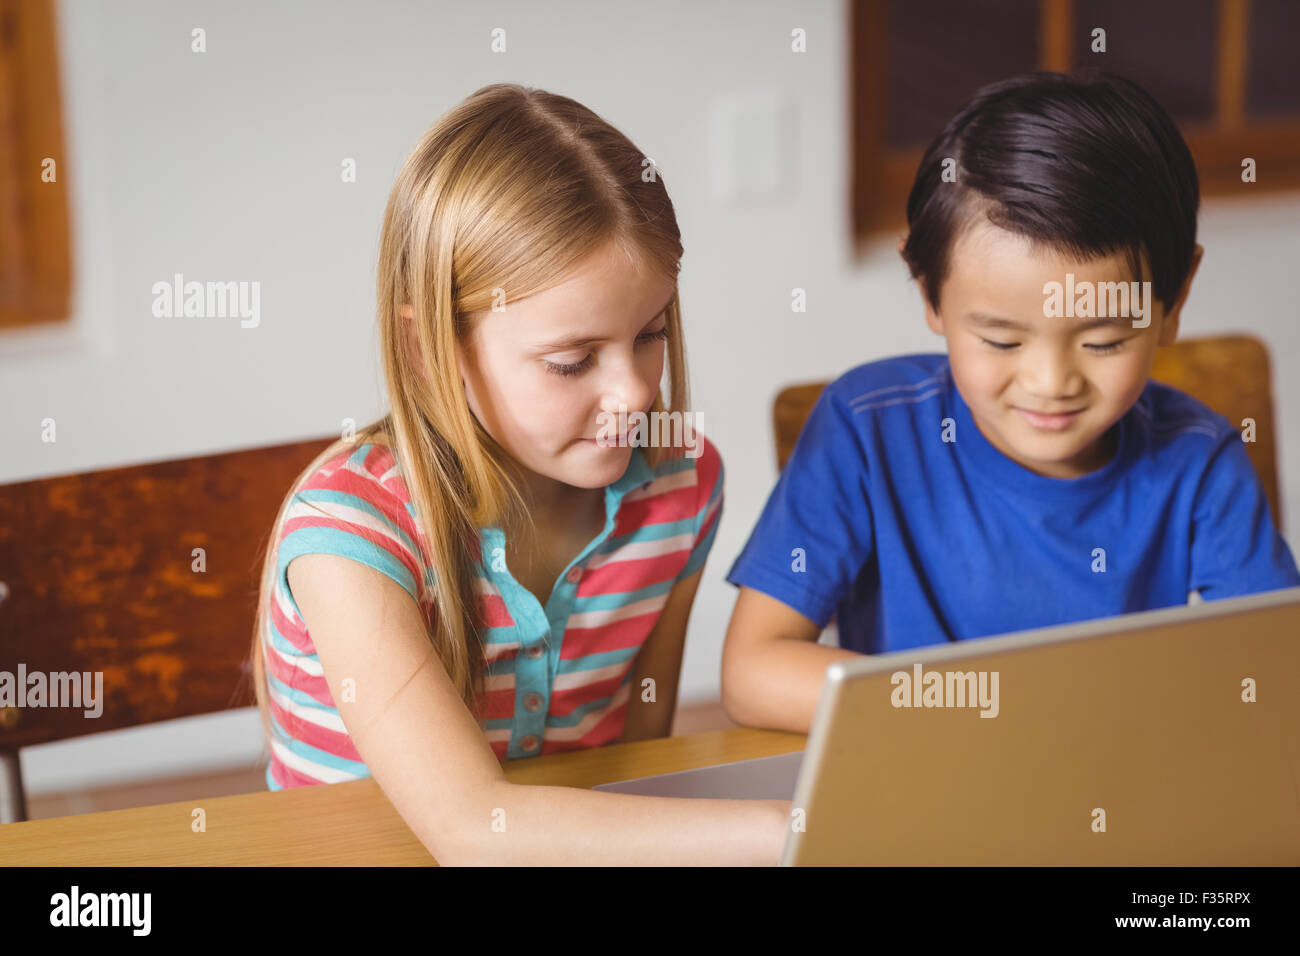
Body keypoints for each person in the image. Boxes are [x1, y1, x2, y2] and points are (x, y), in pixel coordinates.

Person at [249, 84, 789, 864]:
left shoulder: (682, 487)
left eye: (651, 333)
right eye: (571, 361)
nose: (635, 392)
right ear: (428, 350)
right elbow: (475, 832)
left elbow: (639, 764)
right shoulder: (347, 537)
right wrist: (793, 832)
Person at [721, 71, 1300, 734]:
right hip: (921, 793)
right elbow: (752, 671)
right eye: (1001, 340)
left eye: (1105, 341)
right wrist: (990, 708)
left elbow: (1269, 678)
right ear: (930, 294)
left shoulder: (1199, 460)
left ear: (1175, 302)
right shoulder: (866, 428)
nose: (1051, 382)